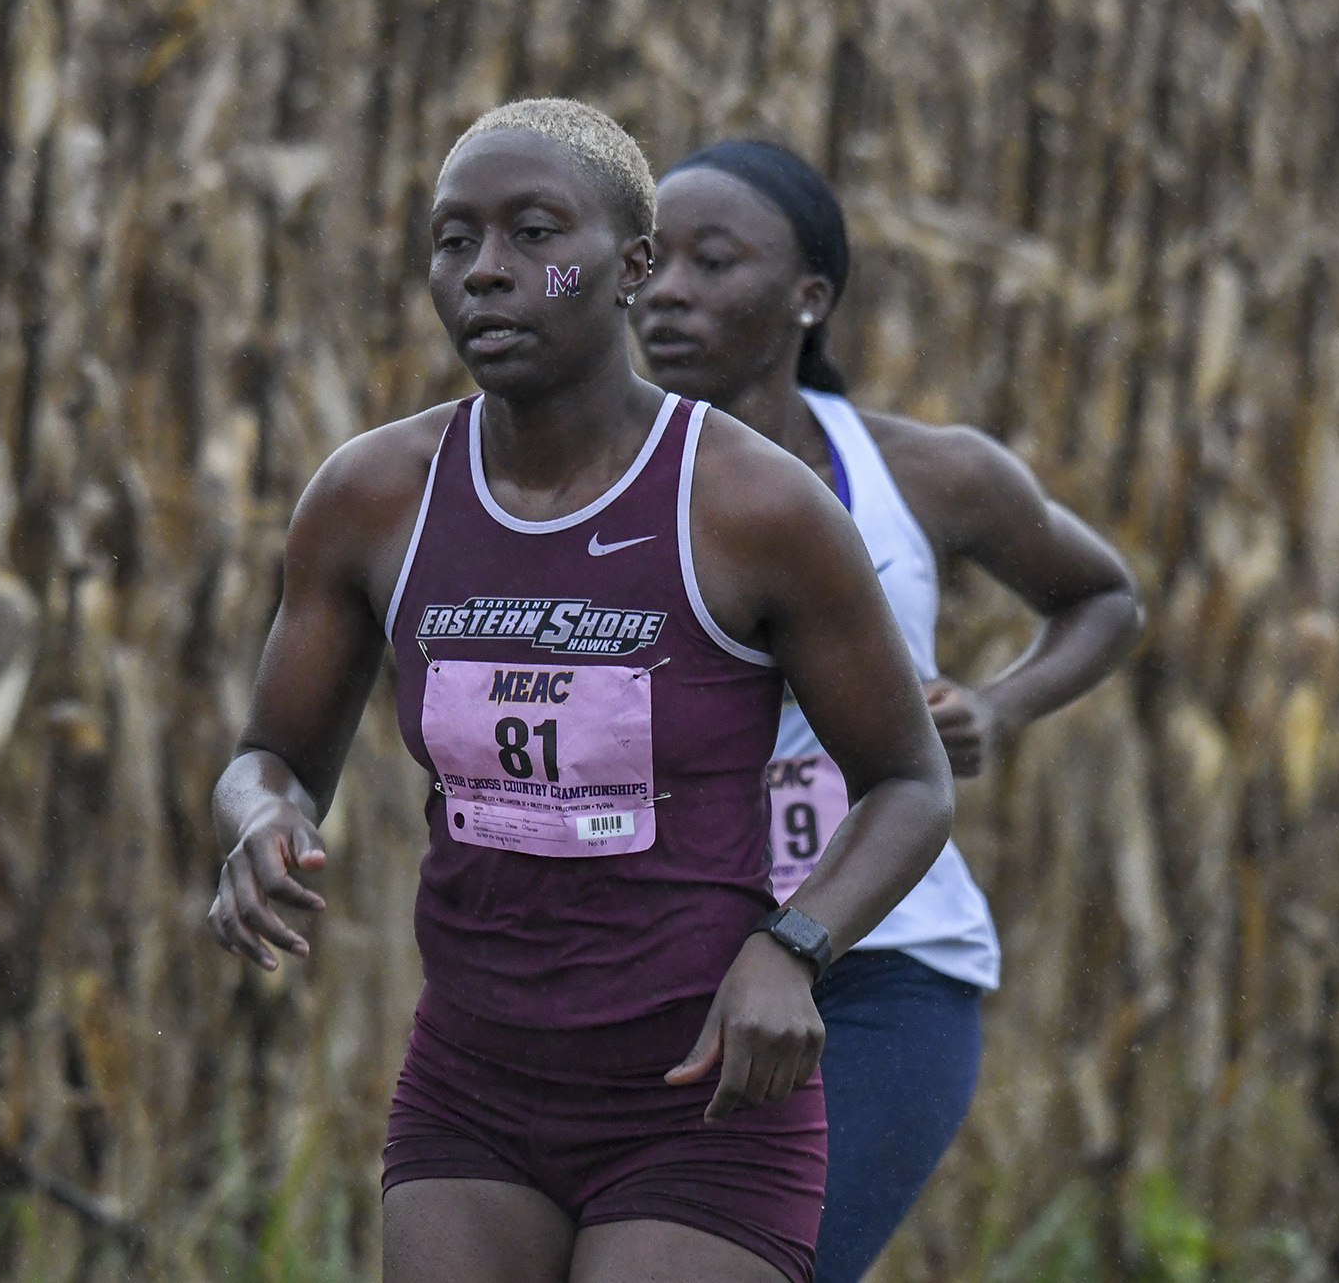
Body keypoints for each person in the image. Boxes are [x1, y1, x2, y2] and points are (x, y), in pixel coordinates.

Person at [207, 100, 957, 1283]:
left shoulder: (750, 506)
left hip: (698, 1092)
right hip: (472, 1087)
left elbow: (909, 783)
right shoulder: (372, 496)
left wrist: (795, 946)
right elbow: (273, 757)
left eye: (534, 234)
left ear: (631, 265)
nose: (485, 271)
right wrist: (259, 816)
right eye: (454, 240)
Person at [632, 140, 1144, 1283]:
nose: (667, 291)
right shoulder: (575, 482)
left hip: (878, 962)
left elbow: (1102, 598)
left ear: (808, 297)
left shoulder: (924, 473)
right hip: (648, 961)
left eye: (712, 262)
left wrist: (998, 709)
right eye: (649, 262)